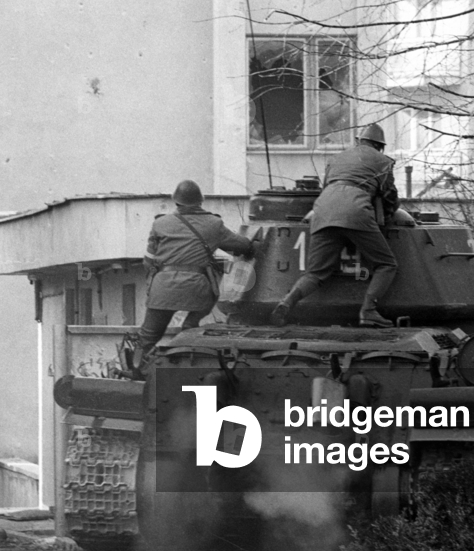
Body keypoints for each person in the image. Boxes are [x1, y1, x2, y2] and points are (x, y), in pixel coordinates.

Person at [270, 123, 414, 328]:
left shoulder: (336, 159)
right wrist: (387, 214)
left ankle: (286, 302)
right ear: (380, 146)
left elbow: (328, 185)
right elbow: (389, 196)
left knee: (315, 273)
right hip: (356, 211)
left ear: (358, 141)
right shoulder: (383, 161)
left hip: (322, 211)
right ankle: (368, 311)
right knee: (386, 264)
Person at [132, 180, 256, 378]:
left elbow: (148, 262)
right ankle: (190, 328)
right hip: (197, 290)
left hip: (162, 289)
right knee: (196, 316)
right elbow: (243, 246)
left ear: (176, 201)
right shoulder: (213, 224)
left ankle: (135, 371)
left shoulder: (160, 224)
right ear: (200, 201)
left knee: (148, 335)